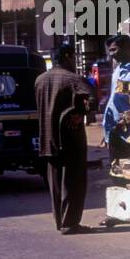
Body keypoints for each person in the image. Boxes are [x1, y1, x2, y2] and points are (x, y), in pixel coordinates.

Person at [35, 41, 93, 234]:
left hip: (47, 138)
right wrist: (81, 113)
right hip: (69, 137)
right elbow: (92, 99)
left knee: (55, 184)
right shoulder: (72, 78)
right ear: (68, 57)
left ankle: (60, 222)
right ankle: (70, 223)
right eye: (73, 57)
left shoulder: (40, 80)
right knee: (73, 182)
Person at [101, 34, 130, 160]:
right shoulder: (117, 70)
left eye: (114, 49)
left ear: (128, 49)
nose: (111, 54)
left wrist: (128, 118)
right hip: (112, 130)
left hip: (129, 132)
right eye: (110, 51)